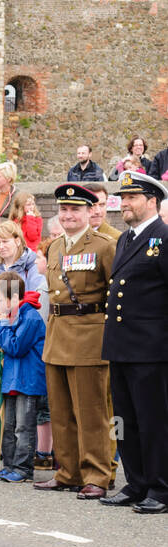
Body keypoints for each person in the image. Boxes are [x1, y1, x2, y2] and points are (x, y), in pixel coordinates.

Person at [35, 183, 117, 498]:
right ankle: (68, 472)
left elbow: (116, 295)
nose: (69, 215)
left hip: (90, 337)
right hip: (57, 336)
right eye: (64, 209)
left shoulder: (104, 245)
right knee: (62, 411)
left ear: (89, 212)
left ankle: (97, 475)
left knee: (92, 413)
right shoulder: (54, 247)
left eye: (76, 209)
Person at [99, 171, 168, 513]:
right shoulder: (126, 239)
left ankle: (160, 487)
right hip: (122, 346)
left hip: (151, 349)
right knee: (124, 421)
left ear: (151, 201)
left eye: (131, 198)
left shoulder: (163, 237)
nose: (123, 204)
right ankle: (137, 481)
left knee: (153, 419)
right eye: (122, 198)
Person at [0, 271, 47, 482]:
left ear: (14, 298)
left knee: (24, 427)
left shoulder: (30, 316)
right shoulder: (10, 316)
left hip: (28, 380)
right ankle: (10, 465)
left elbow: (15, 347)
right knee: (9, 426)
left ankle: (24, 469)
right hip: (12, 379)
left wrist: (2, 325)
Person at [0, 220, 47, 312]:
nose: (1, 247)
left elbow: (37, 299)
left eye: (5, 241)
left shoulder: (32, 266)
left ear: (17, 241)